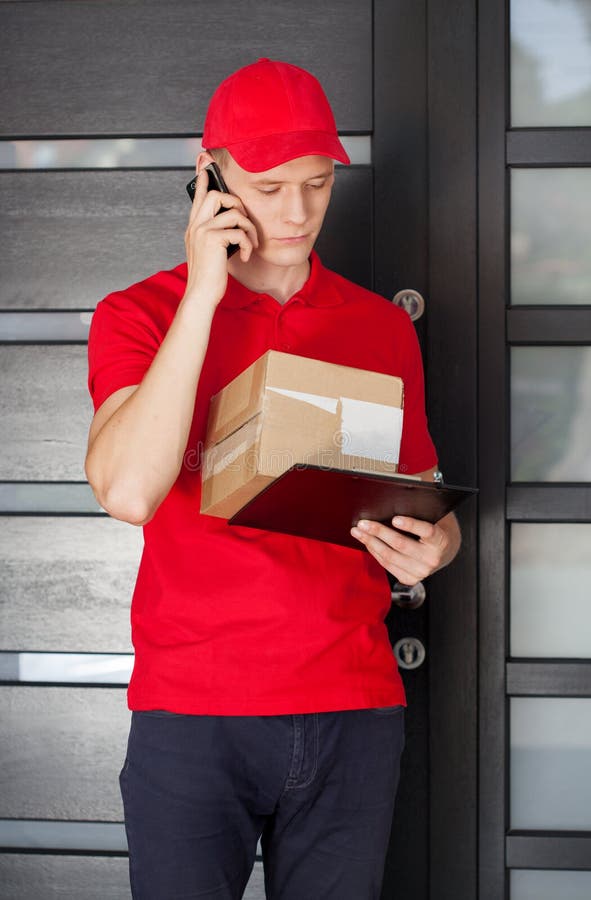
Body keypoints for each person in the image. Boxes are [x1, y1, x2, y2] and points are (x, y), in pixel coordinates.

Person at [85, 58, 461, 900]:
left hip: (353, 709)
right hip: (194, 715)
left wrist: (435, 545)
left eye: (318, 185)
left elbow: (424, 497)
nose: (296, 213)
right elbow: (130, 493)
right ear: (208, 175)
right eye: (266, 186)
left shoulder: (377, 326)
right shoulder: (138, 315)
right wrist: (203, 296)